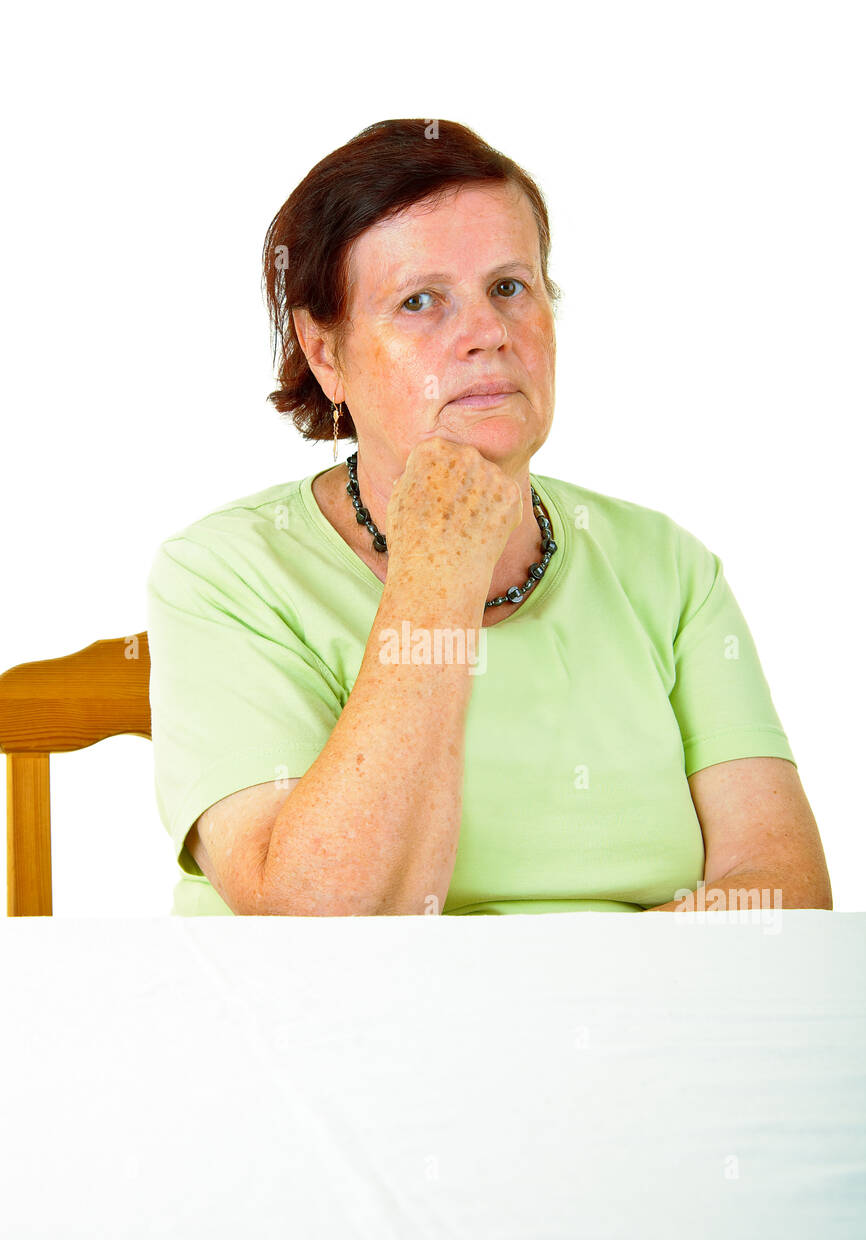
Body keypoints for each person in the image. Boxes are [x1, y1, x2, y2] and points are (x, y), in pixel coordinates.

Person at [145, 118, 832, 916]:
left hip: (634, 1031)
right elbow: (315, 929)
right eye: (420, 302)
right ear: (325, 354)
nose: (487, 334)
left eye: (510, 287)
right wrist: (439, 573)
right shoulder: (224, 574)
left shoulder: (669, 565)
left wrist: (600, 1001)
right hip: (354, 1038)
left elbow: (784, 889)